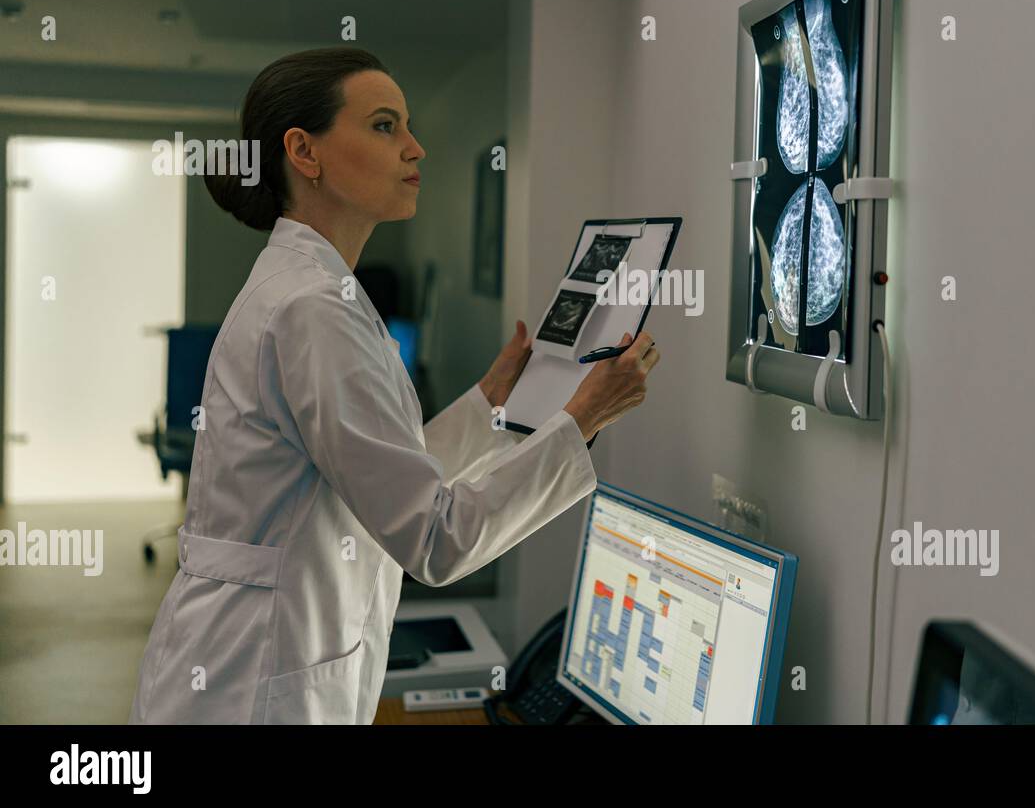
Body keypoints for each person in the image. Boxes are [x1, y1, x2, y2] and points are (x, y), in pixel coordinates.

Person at [128, 47, 659, 724]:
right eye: (385, 126)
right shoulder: (311, 309)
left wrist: (489, 402)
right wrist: (579, 422)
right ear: (304, 152)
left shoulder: (318, 293)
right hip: (247, 686)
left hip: (250, 666)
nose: (416, 148)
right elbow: (434, 540)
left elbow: (381, 481)